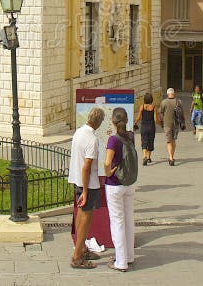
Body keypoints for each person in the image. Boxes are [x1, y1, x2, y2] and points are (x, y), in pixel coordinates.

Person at [67, 107, 106, 269]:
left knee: (81, 215)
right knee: (85, 217)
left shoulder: (79, 132)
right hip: (88, 184)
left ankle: (82, 247)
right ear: (99, 122)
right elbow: (87, 166)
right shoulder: (92, 139)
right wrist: (85, 190)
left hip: (78, 180)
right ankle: (77, 256)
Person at [104, 108, 136, 272]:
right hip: (129, 182)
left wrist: (108, 172)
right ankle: (129, 256)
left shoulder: (113, 140)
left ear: (113, 121)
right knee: (129, 218)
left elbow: (107, 162)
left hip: (115, 184)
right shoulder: (131, 136)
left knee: (117, 221)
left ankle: (121, 261)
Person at [158, 88, 184, 166]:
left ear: (167, 94)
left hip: (167, 124)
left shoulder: (164, 102)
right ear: (174, 93)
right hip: (176, 124)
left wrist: (161, 122)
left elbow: (161, 113)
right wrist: (183, 123)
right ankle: (172, 156)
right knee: (173, 140)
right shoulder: (178, 102)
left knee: (169, 141)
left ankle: (170, 157)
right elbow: (182, 114)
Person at [133, 93, 156, 166]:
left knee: (144, 141)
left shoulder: (142, 107)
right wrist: (161, 123)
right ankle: (148, 157)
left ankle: (144, 156)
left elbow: (139, 117)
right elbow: (156, 119)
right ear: (151, 99)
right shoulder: (153, 107)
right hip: (151, 127)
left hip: (144, 127)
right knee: (150, 141)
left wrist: (135, 122)